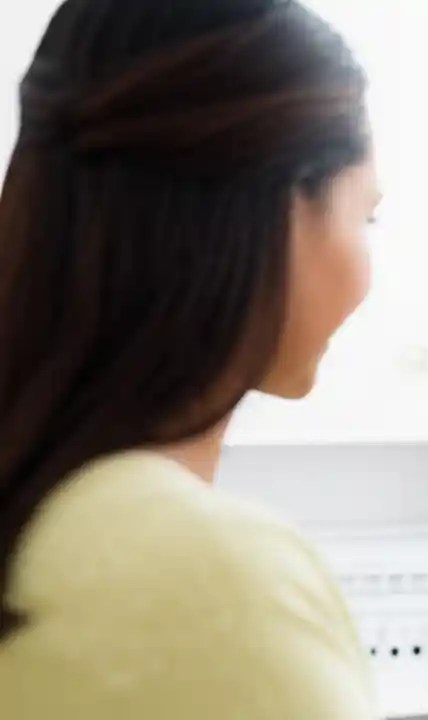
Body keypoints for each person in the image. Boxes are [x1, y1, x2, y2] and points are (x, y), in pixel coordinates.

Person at [0, 1, 380, 718]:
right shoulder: (213, 583)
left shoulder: (41, 524)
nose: (367, 270)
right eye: (368, 215)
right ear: (282, 212)